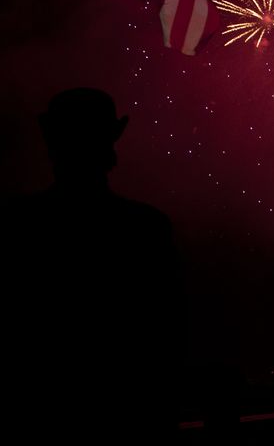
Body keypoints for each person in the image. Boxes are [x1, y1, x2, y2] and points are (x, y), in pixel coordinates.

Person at [1, 88, 183, 444]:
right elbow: (168, 336)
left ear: (50, 137)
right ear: (113, 136)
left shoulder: (17, 224)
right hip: (125, 417)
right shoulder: (145, 228)